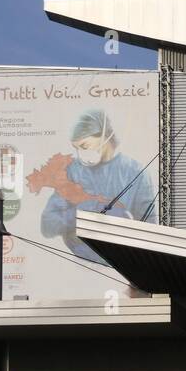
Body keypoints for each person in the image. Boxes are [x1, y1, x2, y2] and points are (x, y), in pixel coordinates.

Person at [37, 109, 155, 261]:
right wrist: (78, 214)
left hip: (122, 266)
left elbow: (150, 230)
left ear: (105, 136)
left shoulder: (135, 172)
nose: (81, 153)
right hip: (79, 264)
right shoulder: (73, 172)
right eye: (76, 148)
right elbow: (47, 225)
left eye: (84, 146)